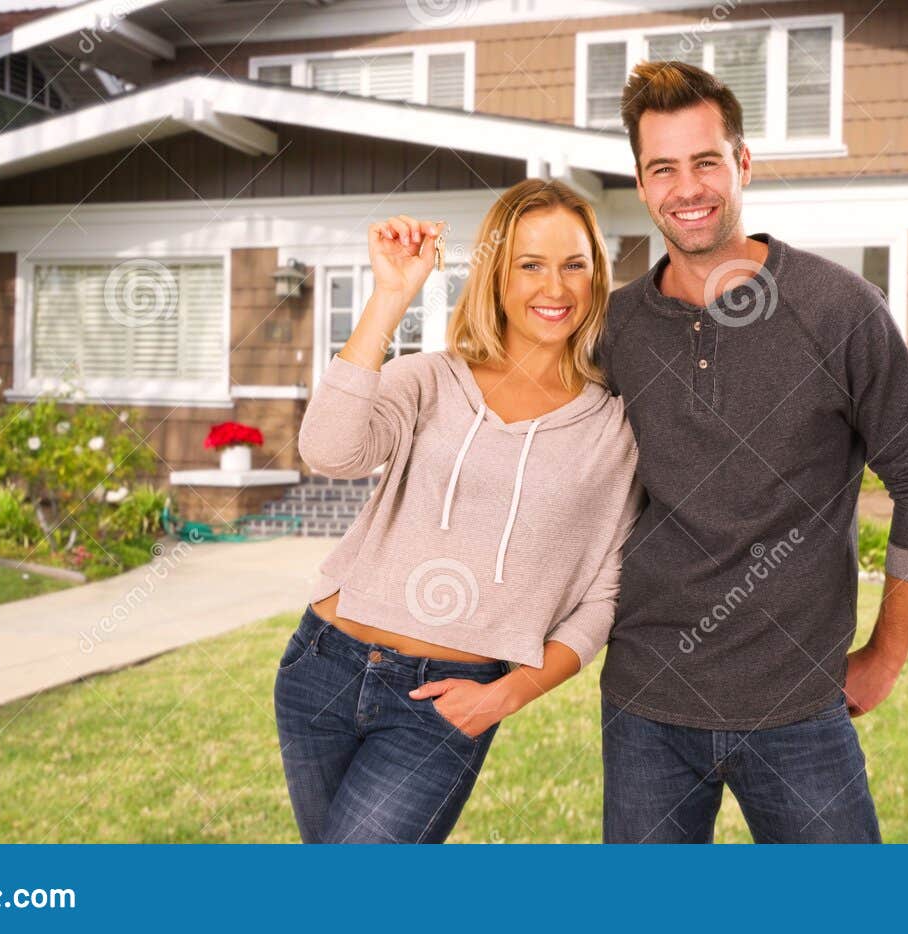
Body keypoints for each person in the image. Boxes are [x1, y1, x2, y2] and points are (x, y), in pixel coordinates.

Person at [595, 60, 908, 843]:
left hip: (799, 708)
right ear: (640, 180)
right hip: (646, 704)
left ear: (743, 164)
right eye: (664, 167)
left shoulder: (837, 308)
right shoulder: (617, 328)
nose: (687, 187)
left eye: (706, 161)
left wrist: (886, 658)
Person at [275, 180, 642, 843]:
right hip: (321, 666)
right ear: (497, 273)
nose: (554, 287)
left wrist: (507, 694)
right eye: (530, 264)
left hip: (444, 699)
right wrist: (390, 298)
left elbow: (605, 597)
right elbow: (329, 450)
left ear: (597, 276)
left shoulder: (615, 428)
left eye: (573, 265)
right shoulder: (430, 379)